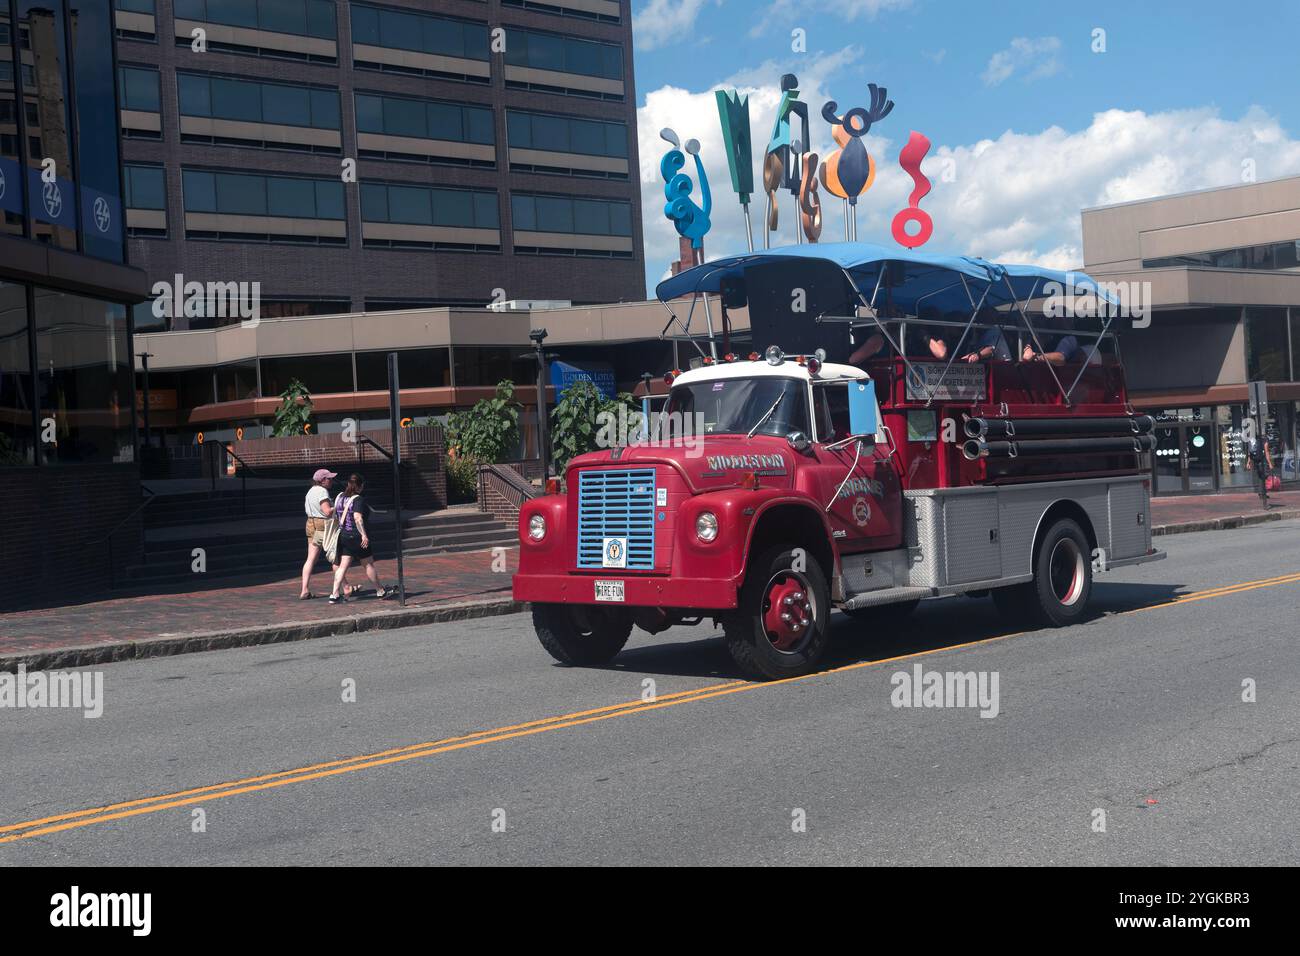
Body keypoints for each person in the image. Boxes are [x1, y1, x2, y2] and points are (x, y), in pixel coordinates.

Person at [329, 473, 391, 604]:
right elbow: (357, 518)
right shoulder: (358, 499)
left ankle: (334, 594)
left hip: (344, 535)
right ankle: (380, 591)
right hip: (357, 536)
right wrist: (363, 534)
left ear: (348, 484)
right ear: (360, 486)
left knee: (343, 566)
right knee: (368, 564)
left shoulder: (340, 497)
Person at [300, 468, 336, 600]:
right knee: (335, 556)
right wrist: (338, 506)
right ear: (322, 480)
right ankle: (346, 587)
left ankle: (304, 589)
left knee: (311, 559)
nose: (331, 481)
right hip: (322, 525)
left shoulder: (310, 491)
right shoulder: (322, 491)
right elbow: (327, 511)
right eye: (329, 478)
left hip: (310, 524)